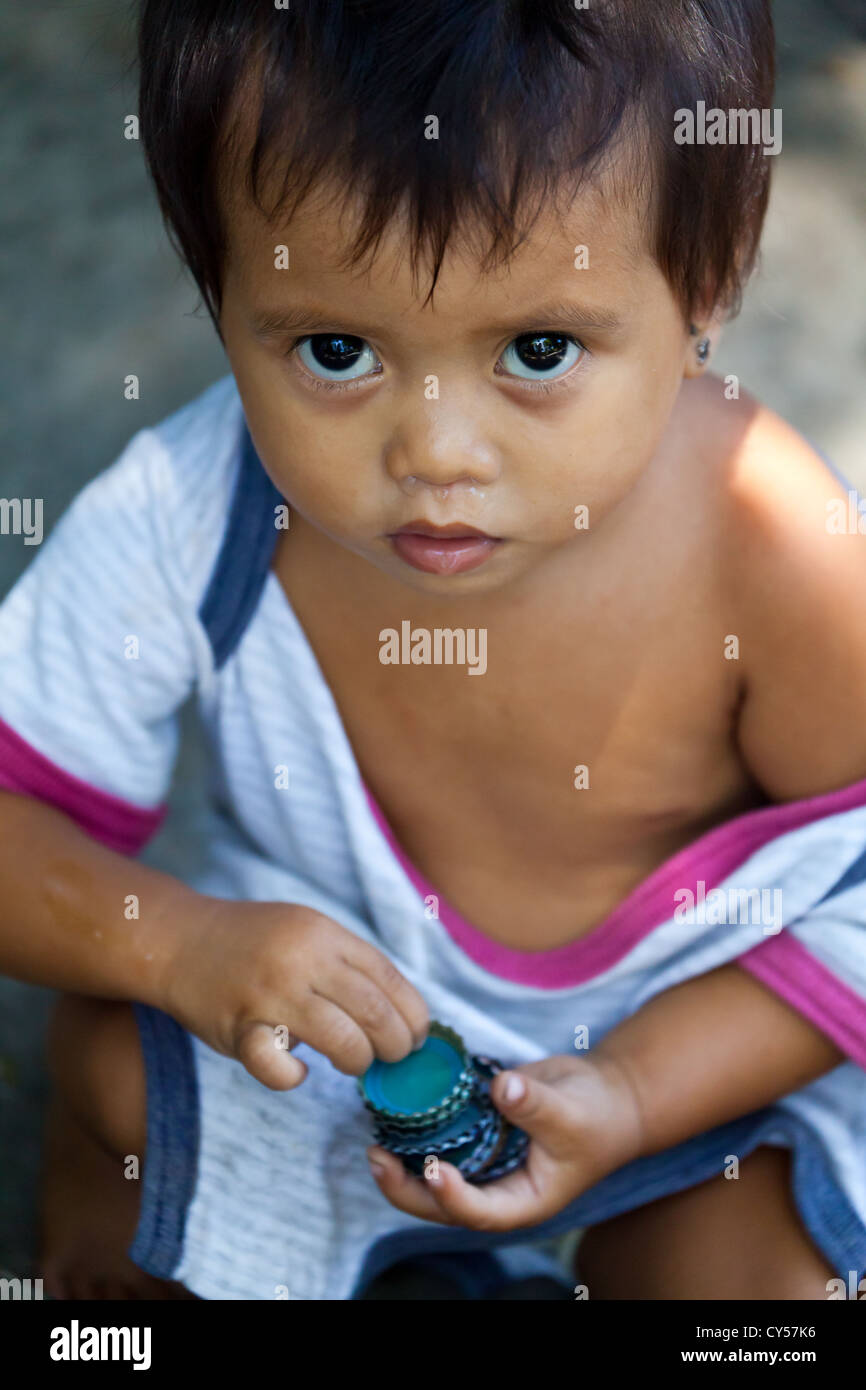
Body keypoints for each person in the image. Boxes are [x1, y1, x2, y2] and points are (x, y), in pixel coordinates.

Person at [2, 0, 865, 1301]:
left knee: (758, 1287)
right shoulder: (192, 517)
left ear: (707, 278)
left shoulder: (770, 544)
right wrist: (181, 944)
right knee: (116, 1060)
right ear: (217, 284)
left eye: (537, 350)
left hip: (702, 1076)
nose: (435, 456)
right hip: (334, 1059)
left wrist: (633, 1092)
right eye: (335, 351)